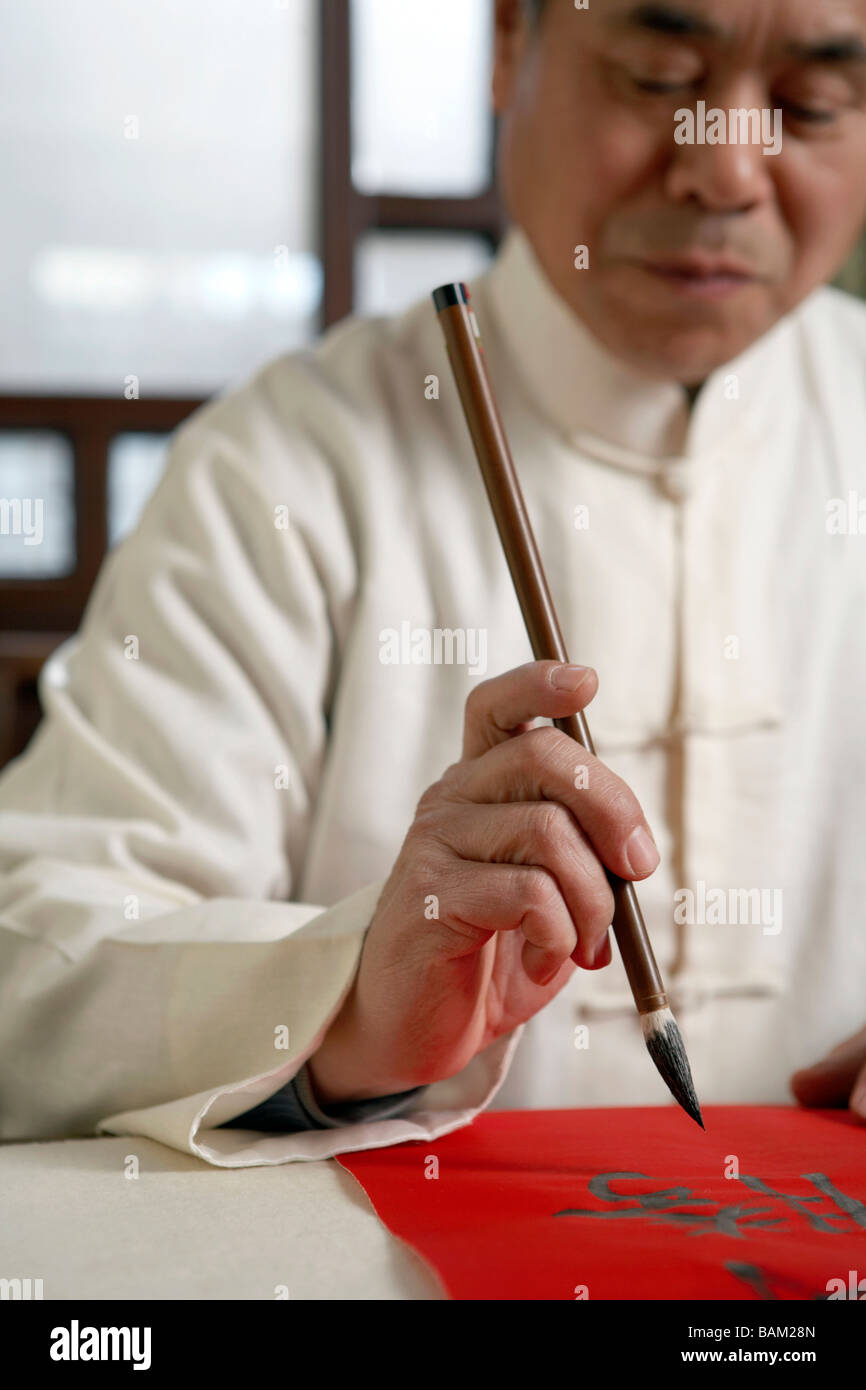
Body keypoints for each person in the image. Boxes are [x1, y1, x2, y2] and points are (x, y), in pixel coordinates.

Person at [2, 0, 866, 1167]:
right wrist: (347, 999)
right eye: (657, 75)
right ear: (510, 44)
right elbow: (35, 962)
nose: (721, 171)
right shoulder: (283, 466)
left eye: (809, 105)